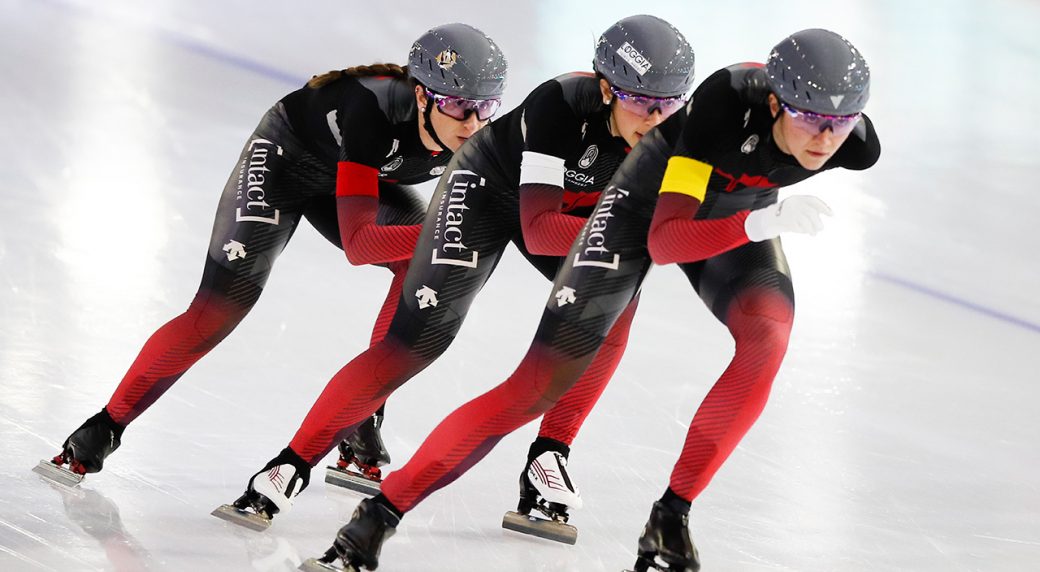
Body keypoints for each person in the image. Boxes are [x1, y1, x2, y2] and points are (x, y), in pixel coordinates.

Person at [305, 28, 880, 572]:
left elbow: (810, 152)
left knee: (768, 339)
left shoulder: (854, 144)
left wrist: (756, 217)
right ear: (777, 104)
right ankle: (377, 518)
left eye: (839, 122)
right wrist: (760, 224)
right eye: (810, 118)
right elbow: (666, 239)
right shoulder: (719, 110)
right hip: (647, 213)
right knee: (534, 388)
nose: (825, 138)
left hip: (735, 212)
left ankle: (670, 519)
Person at [224, 14, 696, 534]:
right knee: (420, 342)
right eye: (639, 100)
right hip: (487, 196)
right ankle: (290, 465)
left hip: (562, 213)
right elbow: (538, 229)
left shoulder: (678, 133)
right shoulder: (559, 104)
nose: (655, 117)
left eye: (670, 103)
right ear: (607, 88)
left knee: (616, 306)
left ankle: (549, 457)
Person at [34, 23, 507, 489]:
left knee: (420, 266)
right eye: (460, 106)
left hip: (356, 178)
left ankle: (363, 412)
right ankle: (103, 426)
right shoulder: (372, 109)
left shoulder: (482, 136)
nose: (474, 124)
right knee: (218, 309)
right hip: (287, 162)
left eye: (486, 107)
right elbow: (361, 244)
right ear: (423, 95)